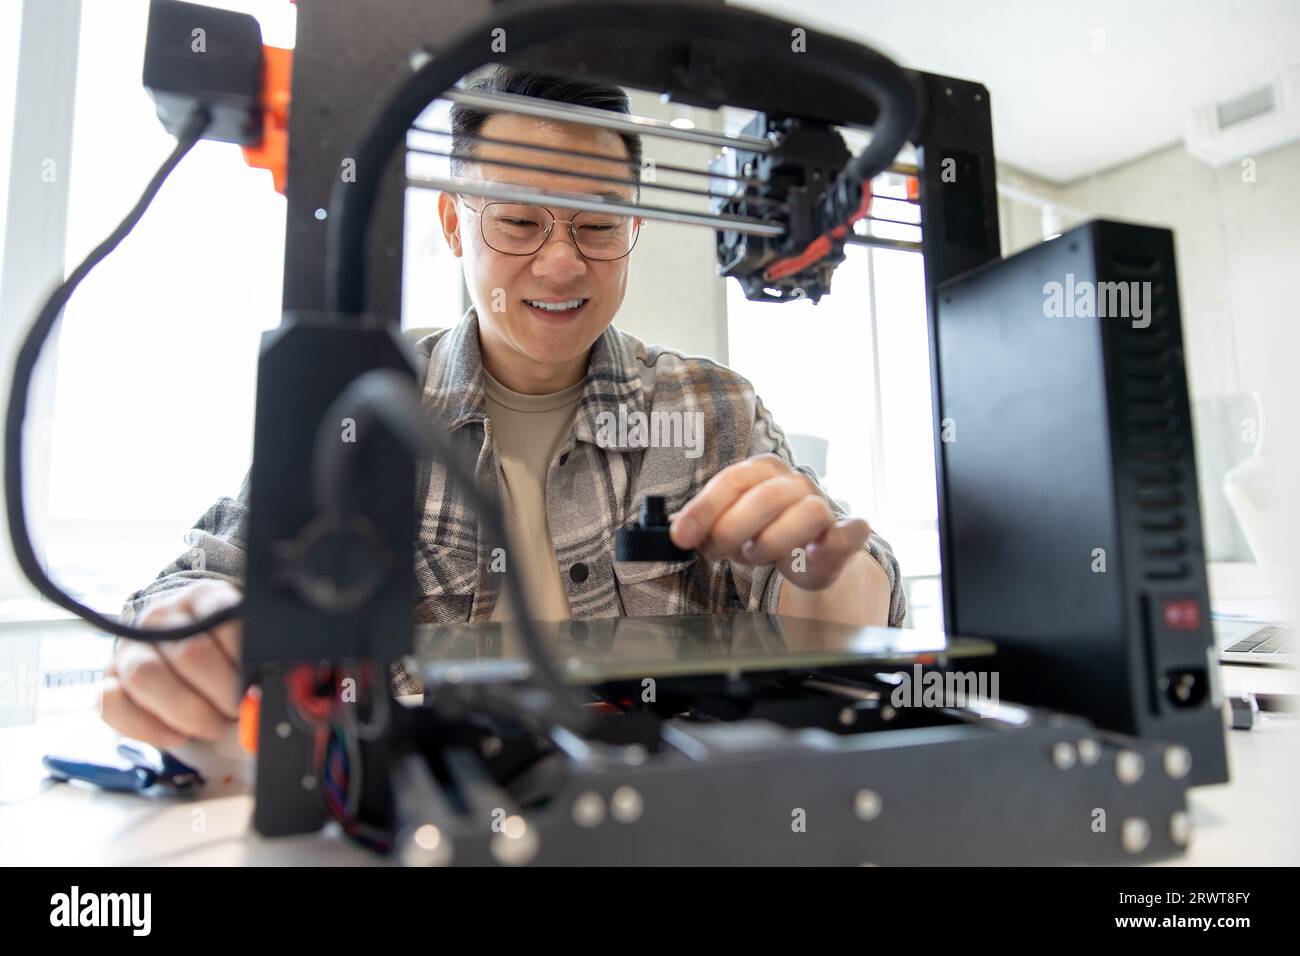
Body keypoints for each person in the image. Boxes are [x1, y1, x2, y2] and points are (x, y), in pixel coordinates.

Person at [100, 67, 907, 750]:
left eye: (596, 223)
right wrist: (193, 635)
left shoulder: (711, 409)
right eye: (520, 220)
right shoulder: (364, 407)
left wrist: (823, 572)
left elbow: (864, 620)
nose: (561, 264)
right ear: (455, 221)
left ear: (634, 222)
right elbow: (185, 592)